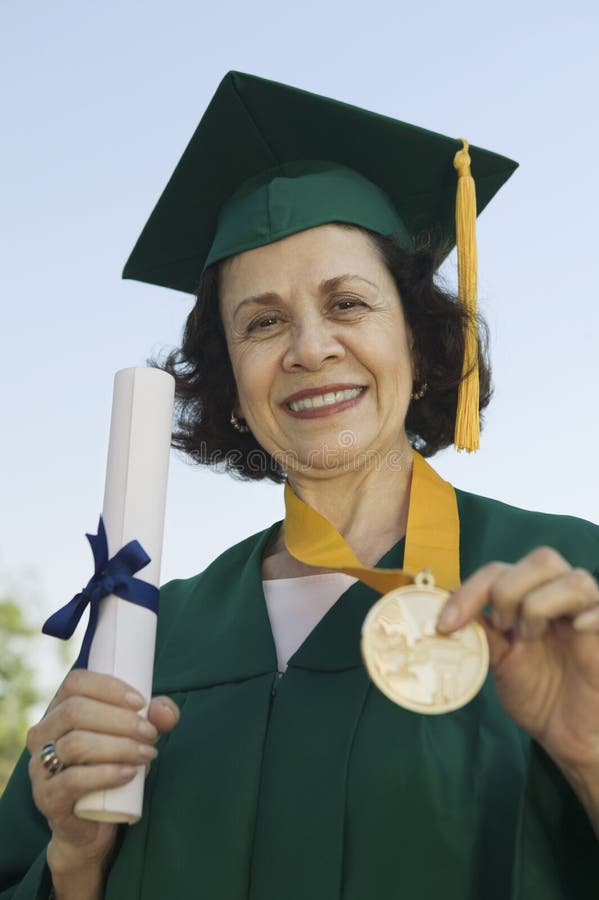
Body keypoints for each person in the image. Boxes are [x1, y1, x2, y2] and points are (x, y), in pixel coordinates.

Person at [1, 71, 598, 900]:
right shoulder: (147, 635)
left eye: (347, 303)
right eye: (263, 321)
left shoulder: (566, 584)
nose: (309, 348)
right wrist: (72, 858)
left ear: (419, 344)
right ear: (230, 386)